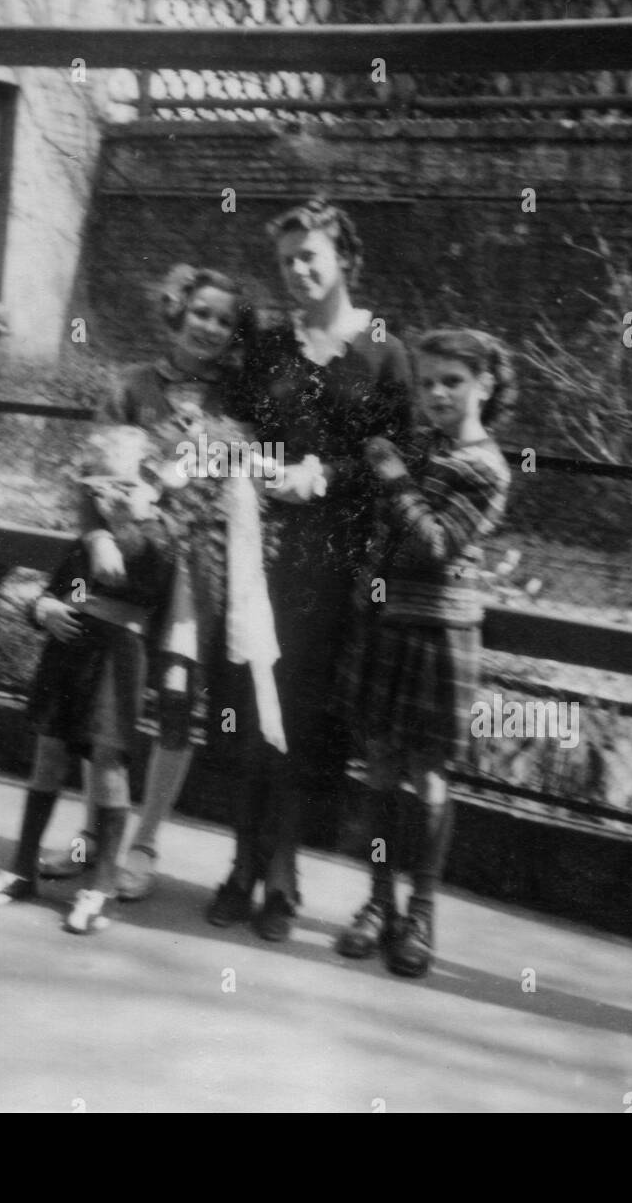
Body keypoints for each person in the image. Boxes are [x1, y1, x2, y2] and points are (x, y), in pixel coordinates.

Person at [206, 196, 414, 942]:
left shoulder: (385, 349)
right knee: (245, 701)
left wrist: (323, 475)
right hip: (259, 549)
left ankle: (283, 877)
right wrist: (248, 461)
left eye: (310, 258)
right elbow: (229, 426)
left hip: (334, 564)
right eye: (286, 261)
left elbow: (396, 458)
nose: (296, 272)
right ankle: (239, 865)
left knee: (295, 716)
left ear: (344, 260)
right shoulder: (267, 344)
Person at [38, 266, 278, 901]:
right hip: (127, 561)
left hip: (195, 570)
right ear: (177, 311)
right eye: (202, 312)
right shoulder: (133, 388)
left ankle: (143, 842)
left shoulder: (243, 399)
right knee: (104, 696)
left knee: (176, 699)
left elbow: (248, 486)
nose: (211, 328)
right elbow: (94, 472)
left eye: (226, 321)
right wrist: (94, 536)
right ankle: (93, 834)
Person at [333, 328, 514, 977]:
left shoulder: (486, 466)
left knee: (429, 777)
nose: (435, 394)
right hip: (386, 627)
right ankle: (378, 904)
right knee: (379, 770)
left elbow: (435, 544)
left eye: (452, 382)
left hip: (440, 637)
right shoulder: (420, 447)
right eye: (426, 382)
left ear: (483, 386)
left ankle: (422, 913)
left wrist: (390, 475)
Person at [0, 425, 177, 933]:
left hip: (117, 659)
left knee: (107, 761)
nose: (112, 498)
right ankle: (21, 868)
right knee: (49, 754)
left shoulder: (160, 536)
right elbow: (58, 588)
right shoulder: (88, 541)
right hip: (68, 652)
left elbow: (145, 578)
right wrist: (46, 608)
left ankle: (100, 887)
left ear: (154, 484)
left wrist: (120, 529)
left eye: (125, 487)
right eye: (102, 488)